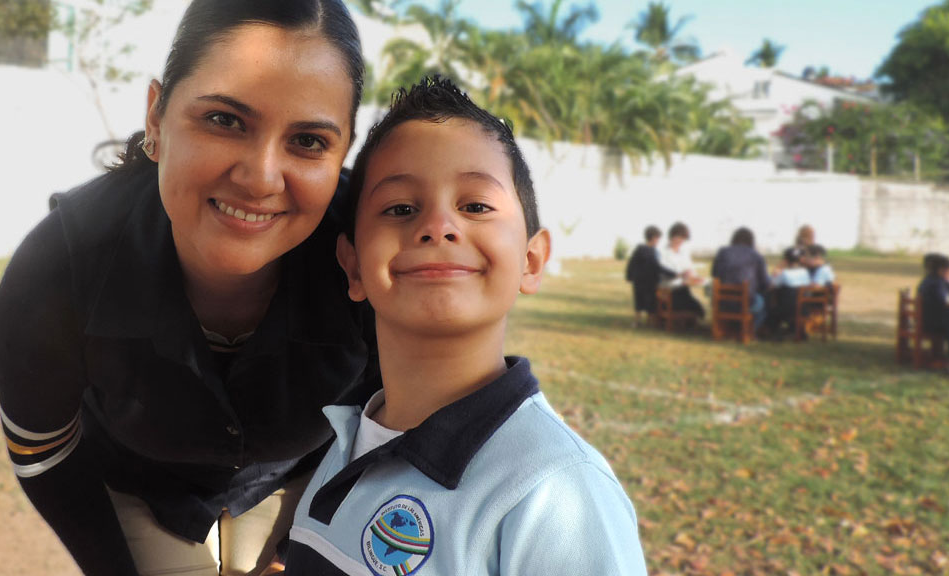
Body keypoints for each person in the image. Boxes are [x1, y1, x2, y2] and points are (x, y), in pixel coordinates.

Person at [0, 2, 377, 575]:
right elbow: (43, 453)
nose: (260, 177)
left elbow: (391, 428)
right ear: (156, 117)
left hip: (303, 484)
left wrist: (297, 553)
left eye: (308, 141)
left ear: (343, 153)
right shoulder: (61, 265)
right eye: (224, 119)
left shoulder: (370, 255)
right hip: (133, 486)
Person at [284, 77, 648, 575]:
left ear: (531, 260)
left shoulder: (554, 489)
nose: (438, 225)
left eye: (475, 206)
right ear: (353, 267)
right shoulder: (347, 433)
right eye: (400, 208)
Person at [710, 227, 770, 332]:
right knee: (763, 303)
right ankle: (749, 331)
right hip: (745, 302)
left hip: (721, 302)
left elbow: (714, 273)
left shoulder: (722, 252)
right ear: (751, 240)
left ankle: (730, 328)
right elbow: (765, 283)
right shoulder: (757, 256)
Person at [626, 225, 674, 326]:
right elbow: (657, 267)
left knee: (639, 302)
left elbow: (631, 264)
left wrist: (629, 276)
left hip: (638, 281)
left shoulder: (639, 249)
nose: (658, 241)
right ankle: (650, 321)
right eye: (658, 239)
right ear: (654, 238)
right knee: (651, 302)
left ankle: (637, 321)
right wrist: (673, 273)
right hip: (649, 281)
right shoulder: (651, 251)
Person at [659, 221, 706, 319]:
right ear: (672, 236)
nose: (680, 241)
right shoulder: (662, 252)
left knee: (701, 311)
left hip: (684, 290)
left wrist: (695, 277)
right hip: (669, 291)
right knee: (691, 308)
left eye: (683, 239)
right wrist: (680, 276)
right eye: (679, 238)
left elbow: (690, 269)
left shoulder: (684, 252)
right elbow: (663, 273)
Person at [765, 247, 810, 335]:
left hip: (786, 309)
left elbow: (771, 286)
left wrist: (777, 269)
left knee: (769, 306)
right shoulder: (805, 272)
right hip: (803, 308)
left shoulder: (784, 273)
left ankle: (772, 331)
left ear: (786, 260)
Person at [918, 253, 949, 338]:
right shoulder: (937, 284)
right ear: (942, 270)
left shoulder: (929, 280)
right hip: (934, 325)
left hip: (928, 321)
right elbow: (948, 303)